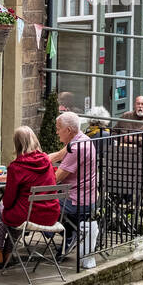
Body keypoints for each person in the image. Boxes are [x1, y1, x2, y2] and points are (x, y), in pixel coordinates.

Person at [0, 126, 60, 267]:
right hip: (51, 214)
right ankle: (7, 252)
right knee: (16, 212)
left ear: (17, 144)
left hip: (30, 215)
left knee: (2, 209)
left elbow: (9, 200)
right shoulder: (46, 161)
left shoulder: (16, 167)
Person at [49, 110, 98, 265]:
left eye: (58, 128)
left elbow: (56, 179)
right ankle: (70, 233)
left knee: (38, 205)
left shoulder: (77, 148)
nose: (56, 132)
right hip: (85, 196)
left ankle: (69, 233)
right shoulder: (82, 139)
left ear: (68, 130)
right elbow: (58, 155)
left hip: (76, 200)